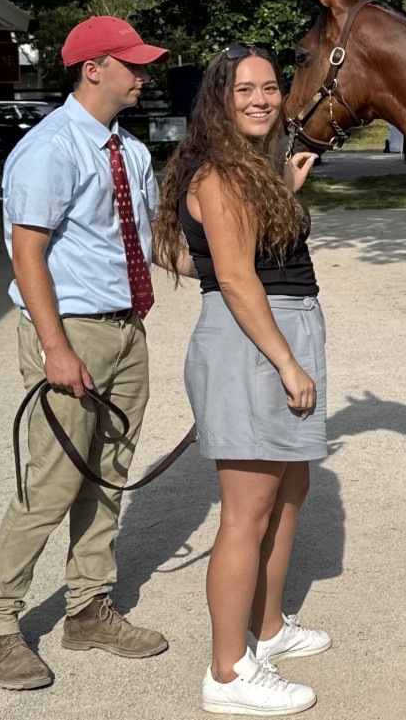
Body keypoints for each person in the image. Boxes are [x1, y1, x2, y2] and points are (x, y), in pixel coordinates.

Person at [0, 17, 173, 690]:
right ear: (94, 68)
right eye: (132, 65)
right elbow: (26, 250)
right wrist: (55, 346)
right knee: (54, 482)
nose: (143, 76)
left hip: (125, 331)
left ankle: (88, 607)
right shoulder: (48, 149)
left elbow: (145, 243)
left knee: (108, 475)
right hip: (70, 332)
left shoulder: (133, 152)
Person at [153, 43, 328, 716]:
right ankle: (227, 673)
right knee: (246, 512)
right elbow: (231, 275)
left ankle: (272, 627)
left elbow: (237, 249)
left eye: (271, 87)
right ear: (220, 101)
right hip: (254, 340)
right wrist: (285, 360)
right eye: (245, 89)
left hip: (277, 327)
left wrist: (282, 189)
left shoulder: (251, 171)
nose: (261, 98)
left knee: (291, 489)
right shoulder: (219, 174)